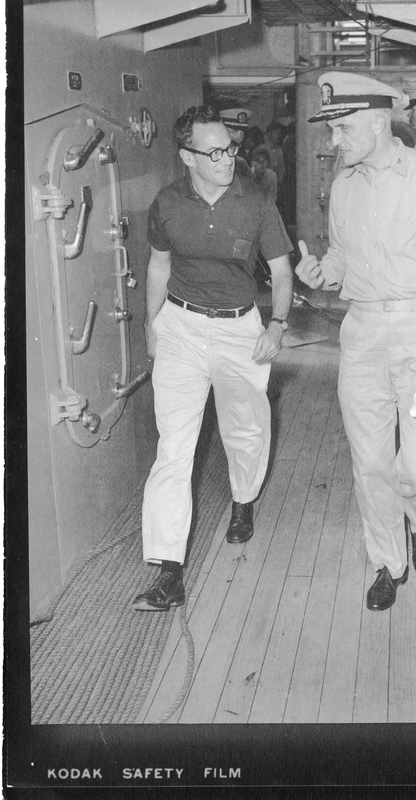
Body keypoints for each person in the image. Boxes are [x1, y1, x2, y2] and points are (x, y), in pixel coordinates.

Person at [297, 72, 416, 612]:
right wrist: (322, 273)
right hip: (361, 335)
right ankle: (388, 561)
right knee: (370, 462)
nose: (334, 141)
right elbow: (340, 259)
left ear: (379, 123)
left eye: (342, 128)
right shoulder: (343, 186)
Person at [134, 105, 293, 611]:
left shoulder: (256, 203)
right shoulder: (167, 204)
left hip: (239, 328)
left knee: (244, 431)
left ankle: (242, 500)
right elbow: (158, 266)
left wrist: (277, 324)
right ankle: (167, 570)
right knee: (173, 448)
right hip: (180, 326)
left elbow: (282, 271)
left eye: (231, 147)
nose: (229, 157)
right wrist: (151, 324)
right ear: (188, 157)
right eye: (216, 151)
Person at [219, 107, 252, 177]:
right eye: (233, 132)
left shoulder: (241, 164)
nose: (240, 137)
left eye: (242, 133)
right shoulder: (213, 160)